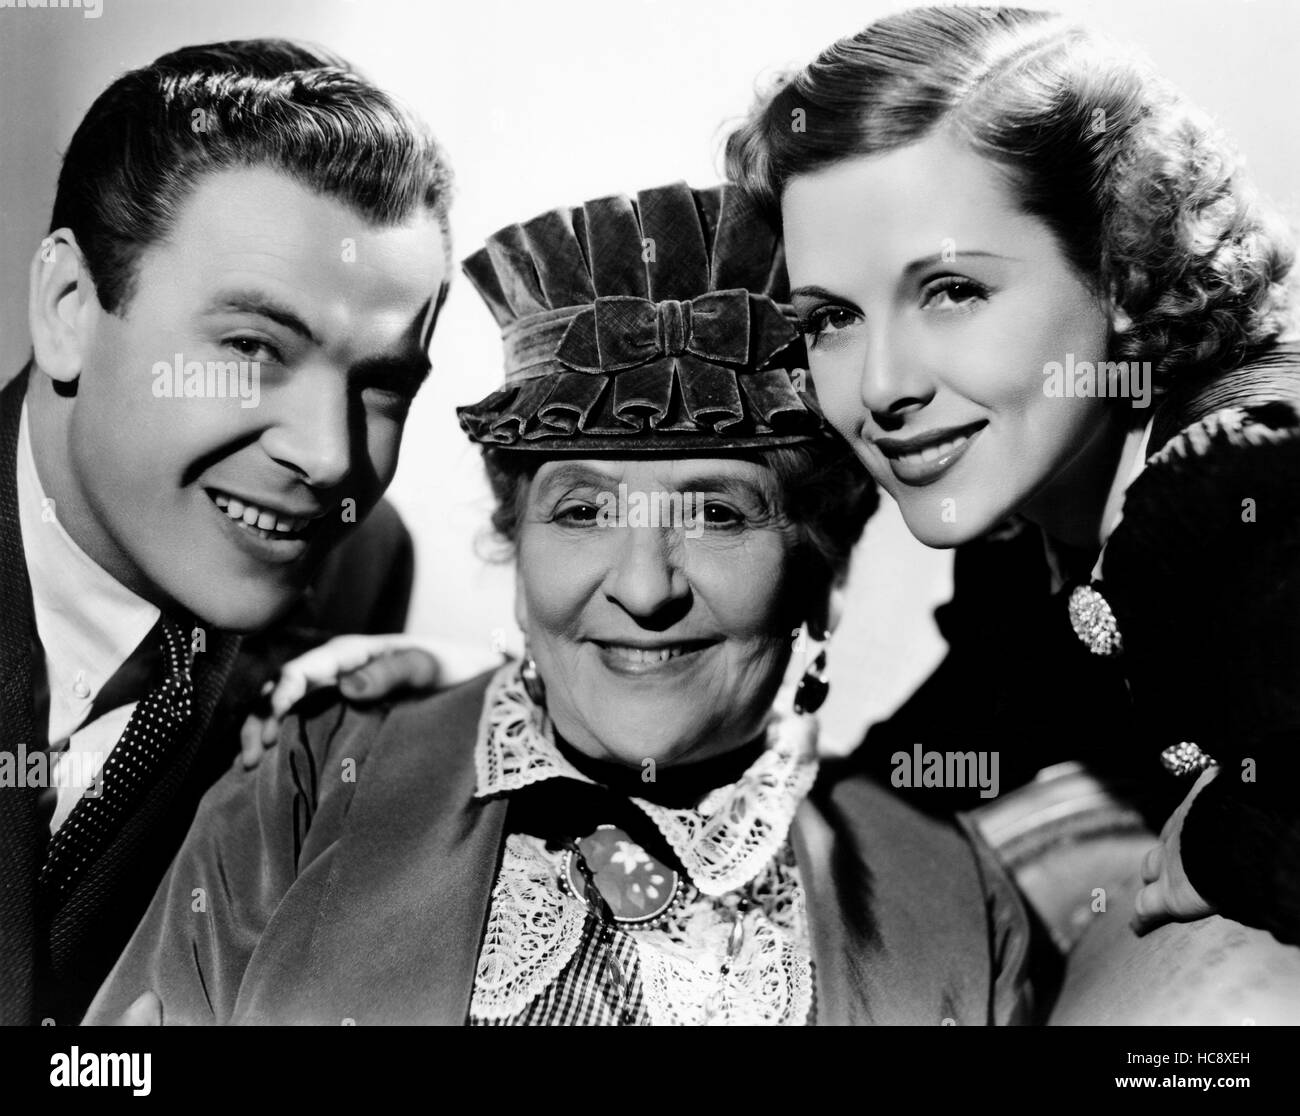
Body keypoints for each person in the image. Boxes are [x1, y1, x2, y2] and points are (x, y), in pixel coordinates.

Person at [85, 182, 1032, 1026]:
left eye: (715, 513)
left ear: (818, 561)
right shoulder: (309, 779)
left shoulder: (951, 902)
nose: (643, 587)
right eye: (581, 510)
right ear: (516, 541)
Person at [722, 6, 1300, 966]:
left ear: (1122, 267)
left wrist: (1236, 842)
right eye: (831, 319)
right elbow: (961, 735)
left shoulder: (1243, 493)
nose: (880, 387)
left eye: (951, 293)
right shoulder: (1031, 525)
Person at [0, 38, 453, 1024]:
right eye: (255, 348)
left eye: (380, 386)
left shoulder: (356, 574)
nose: (331, 457)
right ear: (70, 310)